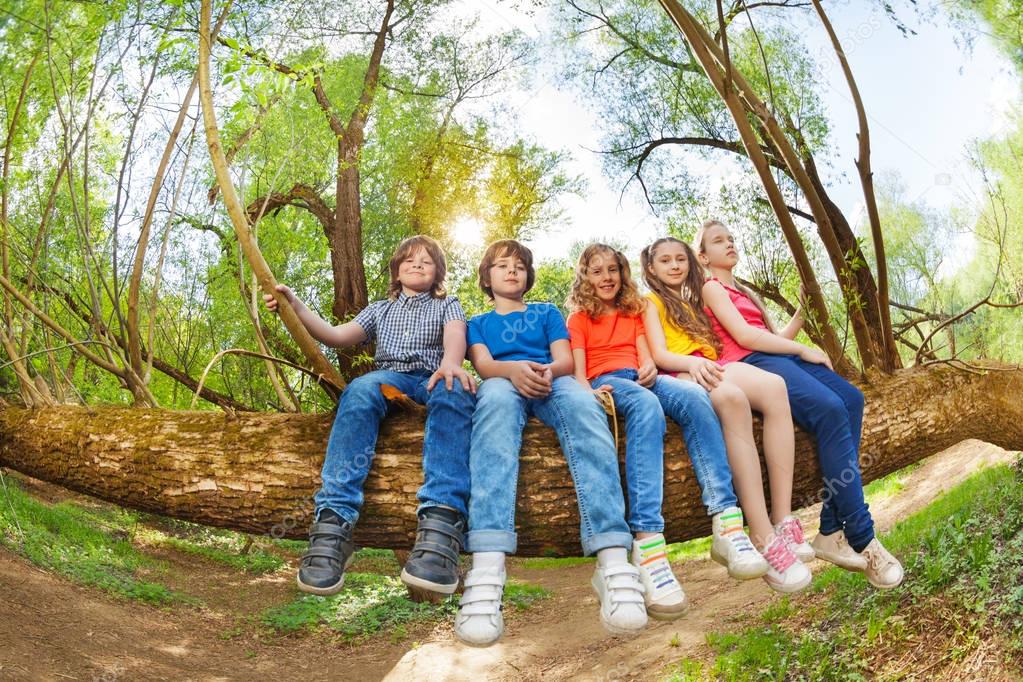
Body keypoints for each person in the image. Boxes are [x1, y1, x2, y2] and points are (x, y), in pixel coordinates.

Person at [263, 235, 477, 600]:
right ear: (396, 270)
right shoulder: (380, 310)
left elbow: (455, 335)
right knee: (360, 389)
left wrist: (451, 364)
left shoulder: (448, 304)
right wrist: (295, 306)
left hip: (432, 376)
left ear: (438, 272)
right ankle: (334, 524)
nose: (418, 264)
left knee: (455, 389)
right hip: (389, 379)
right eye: (409, 260)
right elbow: (335, 336)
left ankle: (442, 519)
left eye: (427, 261)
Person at [455, 239, 646, 646]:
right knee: (491, 413)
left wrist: (542, 371)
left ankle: (612, 558)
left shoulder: (546, 312)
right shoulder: (477, 321)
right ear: (486, 278)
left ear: (529, 275)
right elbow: (485, 365)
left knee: (585, 408)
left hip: (552, 381)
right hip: (503, 383)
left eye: (520, 266)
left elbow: (565, 360)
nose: (512, 271)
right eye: (502, 266)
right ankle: (487, 569)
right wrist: (513, 371)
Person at [695, 219, 904, 589]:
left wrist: (802, 315)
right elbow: (746, 337)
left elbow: (772, 337)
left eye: (730, 238)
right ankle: (863, 537)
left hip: (777, 358)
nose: (729, 244)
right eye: (718, 241)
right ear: (703, 255)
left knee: (851, 400)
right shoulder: (710, 288)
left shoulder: (743, 292)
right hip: (750, 364)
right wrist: (803, 348)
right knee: (829, 408)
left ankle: (828, 531)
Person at [567, 243, 770, 602]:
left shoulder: (632, 310)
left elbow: (645, 354)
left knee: (694, 397)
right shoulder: (579, 319)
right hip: (607, 382)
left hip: (642, 377)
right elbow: (580, 372)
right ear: (585, 276)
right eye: (596, 271)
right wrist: (588, 394)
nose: (606, 277)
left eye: (612, 269)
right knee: (647, 406)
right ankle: (647, 543)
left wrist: (647, 366)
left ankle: (726, 518)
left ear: (622, 273)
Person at [640, 237, 812, 593]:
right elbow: (658, 353)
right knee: (733, 400)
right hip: (682, 372)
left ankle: (782, 518)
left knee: (775, 387)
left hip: (713, 364)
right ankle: (762, 534)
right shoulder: (649, 303)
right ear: (651, 268)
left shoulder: (692, 302)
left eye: (680, 259)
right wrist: (692, 364)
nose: (674, 266)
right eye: (665, 261)